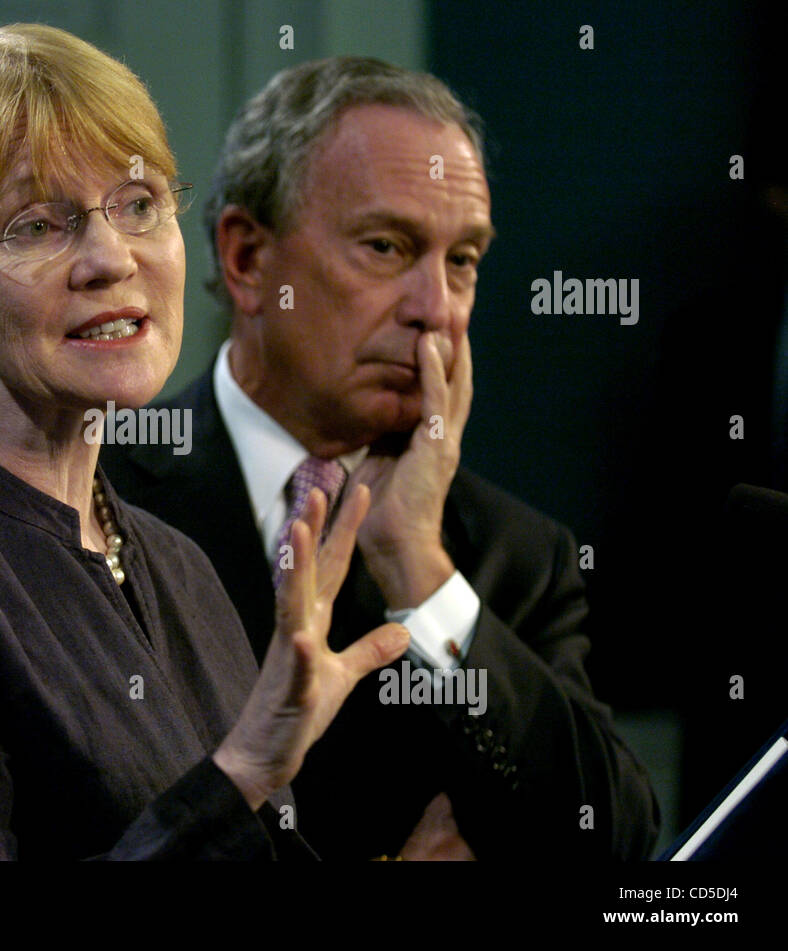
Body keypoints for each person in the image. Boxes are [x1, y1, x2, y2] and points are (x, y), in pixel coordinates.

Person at [0, 23, 411, 860]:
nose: (110, 259)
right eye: (35, 226)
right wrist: (238, 772)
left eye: (138, 205)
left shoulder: (177, 563)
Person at [102, 57, 661, 860]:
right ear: (248, 260)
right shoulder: (96, 496)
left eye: (462, 260)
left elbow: (618, 843)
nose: (436, 310)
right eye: (387, 247)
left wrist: (416, 567)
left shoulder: (514, 556)